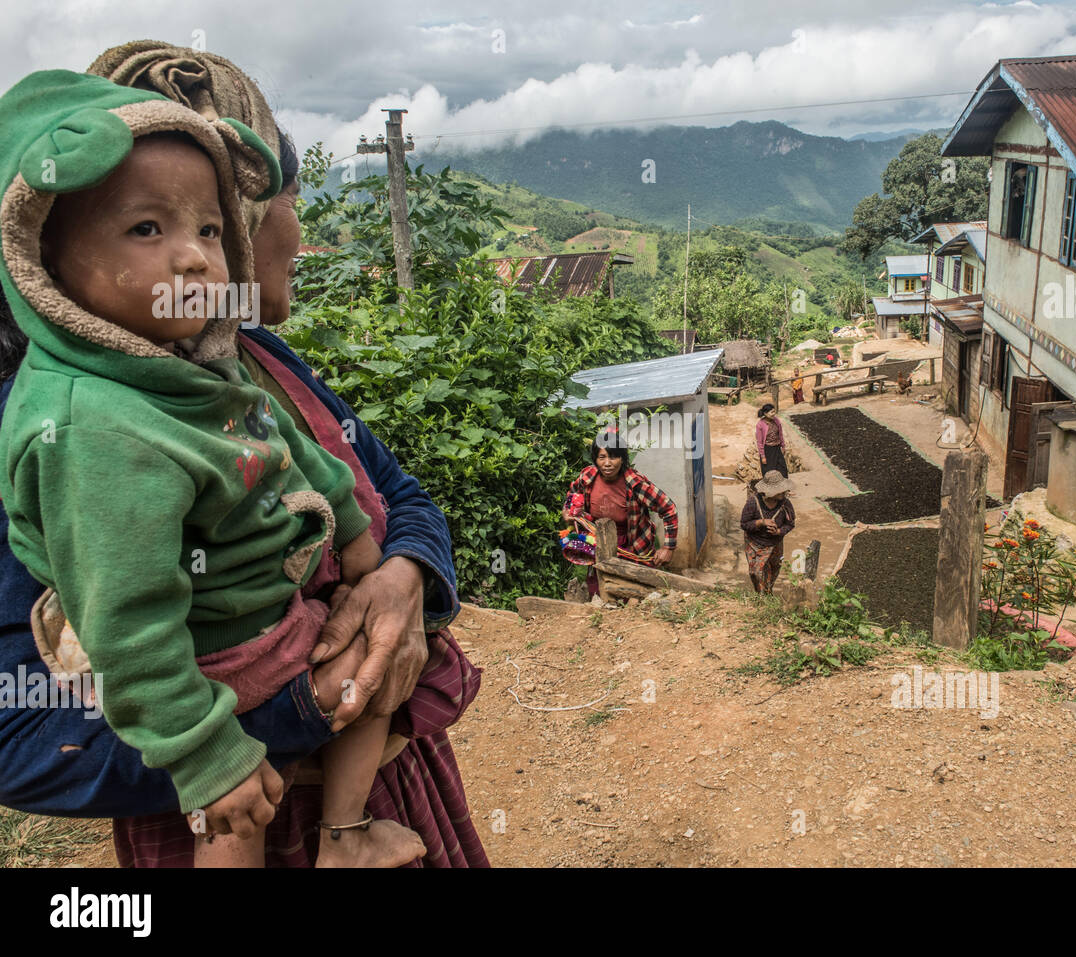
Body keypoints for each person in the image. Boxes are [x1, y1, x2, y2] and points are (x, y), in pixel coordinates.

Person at [0, 42, 485, 869]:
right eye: (292, 199)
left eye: (207, 224)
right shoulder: (67, 432)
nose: (303, 230)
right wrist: (297, 709)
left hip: (384, 797)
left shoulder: (256, 367)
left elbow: (399, 495)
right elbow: (20, 735)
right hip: (227, 812)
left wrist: (403, 580)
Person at [563, 427, 678, 596]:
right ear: (595, 459)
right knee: (598, 590)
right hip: (598, 541)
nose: (607, 463)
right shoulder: (587, 477)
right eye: (602, 457)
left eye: (613, 456)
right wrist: (567, 510)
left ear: (622, 459)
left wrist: (669, 547)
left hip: (632, 545)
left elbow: (668, 508)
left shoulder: (635, 484)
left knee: (634, 592)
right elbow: (572, 493)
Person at [740, 470, 796, 595]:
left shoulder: (785, 504)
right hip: (755, 543)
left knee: (773, 569)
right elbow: (744, 524)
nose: (783, 492)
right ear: (770, 491)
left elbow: (790, 524)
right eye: (780, 490)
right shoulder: (753, 503)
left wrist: (779, 531)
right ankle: (761, 596)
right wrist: (761, 522)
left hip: (774, 544)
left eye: (783, 489)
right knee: (756, 573)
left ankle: (767, 592)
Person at [756, 403, 788, 477]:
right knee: (769, 472)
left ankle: (783, 486)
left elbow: (780, 434)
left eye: (774, 411)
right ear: (765, 413)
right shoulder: (760, 425)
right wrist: (763, 456)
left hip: (777, 448)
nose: (774, 414)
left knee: (782, 469)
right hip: (767, 450)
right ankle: (771, 488)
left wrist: (783, 446)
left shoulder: (776, 420)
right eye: (772, 412)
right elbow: (760, 442)